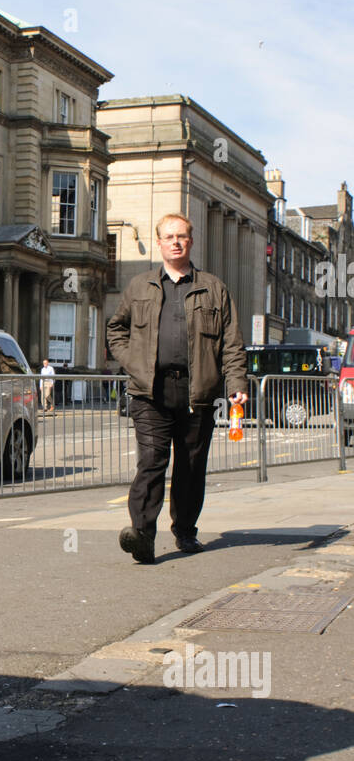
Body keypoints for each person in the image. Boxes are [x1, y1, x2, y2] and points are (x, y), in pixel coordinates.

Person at [106, 213, 248, 564]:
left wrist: (237, 385)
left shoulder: (214, 289)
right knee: (152, 461)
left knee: (191, 465)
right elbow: (116, 330)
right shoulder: (140, 286)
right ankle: (142, 534)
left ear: (191, 241)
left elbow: (231, 343)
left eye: (182, 236)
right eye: (169, 236)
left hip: (197, 392)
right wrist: (135, 364)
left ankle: (185, 530)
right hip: (149, 392)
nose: (175, 242)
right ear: (159, 243)